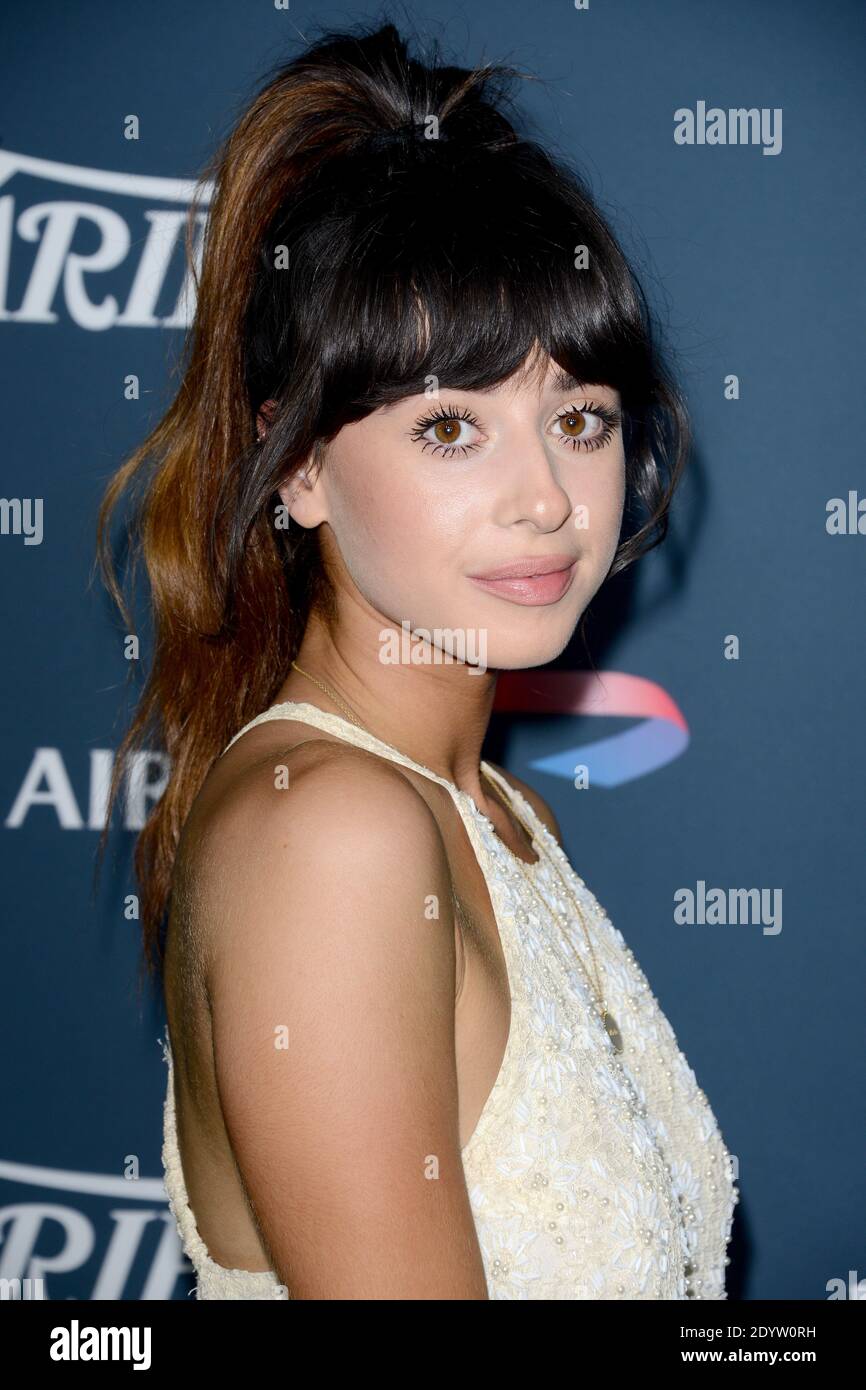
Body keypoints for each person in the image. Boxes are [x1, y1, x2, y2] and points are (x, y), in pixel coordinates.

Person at [98, 18, 738, 1300]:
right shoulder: (334, 833)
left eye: (579, 417)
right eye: (452, 425)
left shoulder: (489, 811)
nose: (548, 497)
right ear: (302, 468)